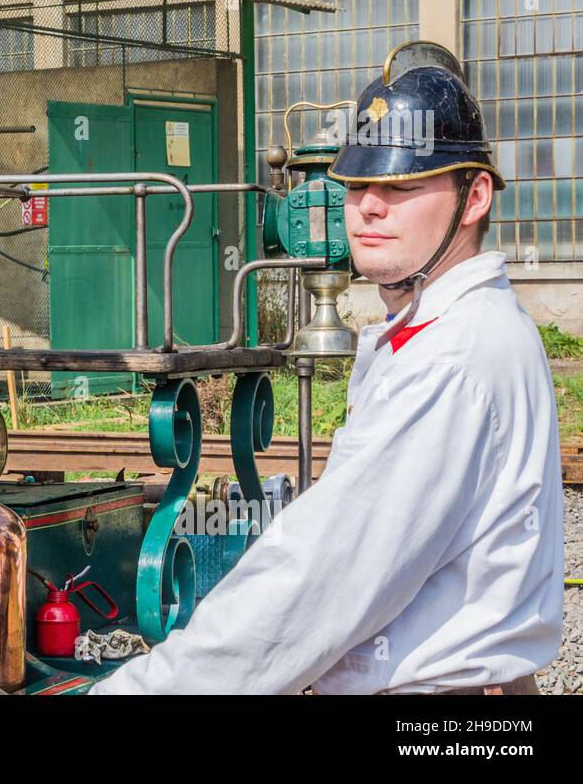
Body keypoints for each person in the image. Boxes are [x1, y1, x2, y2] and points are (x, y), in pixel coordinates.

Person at [89, 42, 563, 695]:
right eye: (359, 182)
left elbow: (318, 576)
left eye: (401, 185)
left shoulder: (454, 357)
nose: (368, 206)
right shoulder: (461, 330)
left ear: (474, 195)